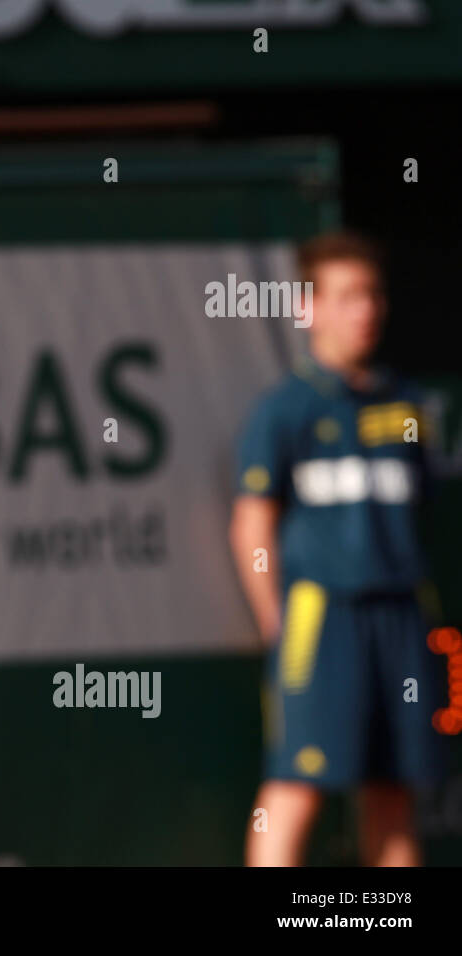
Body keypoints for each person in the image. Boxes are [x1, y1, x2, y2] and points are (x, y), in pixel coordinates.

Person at [231, 231, 446, 866]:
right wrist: (279, 620)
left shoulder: (408, 406)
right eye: (348, 296)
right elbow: (251, 525)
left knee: (394, 792)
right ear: (308, 308)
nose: (366, 310)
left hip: (403, 618)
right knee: (296, 786)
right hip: (321, 622)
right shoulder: (284, 410)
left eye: (373, 295)